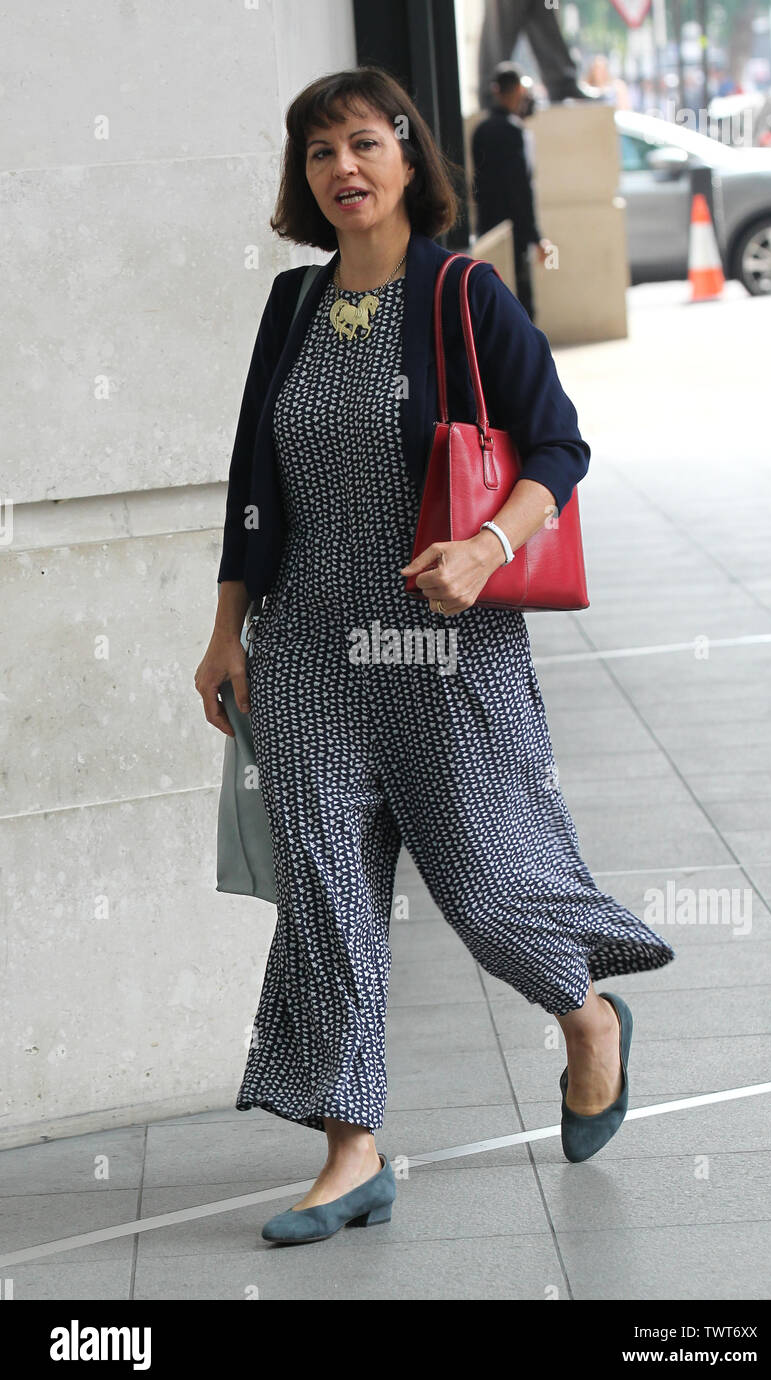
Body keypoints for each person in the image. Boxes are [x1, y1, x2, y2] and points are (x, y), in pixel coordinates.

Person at [194, 64, 675, 1246]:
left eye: (364, 144)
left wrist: (485, 545)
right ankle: (352, 1149)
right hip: (304, 641)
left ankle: (586, 1015)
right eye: (320, 154)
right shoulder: (292, 309)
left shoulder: (462, 292)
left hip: (438, 639)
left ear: (411, 159)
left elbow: (559, 446)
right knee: (323, 891)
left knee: (487, 885)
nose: (343, 169)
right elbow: (256, 483)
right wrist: (224, 627)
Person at [472, 62, 553, 322]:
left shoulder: (481, 132)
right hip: (515, 234)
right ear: (518, 90)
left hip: (489, 231)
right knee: (523, 303)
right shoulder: (516, 133)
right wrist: (536, 237)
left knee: (494, 303)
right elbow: (522, 189)